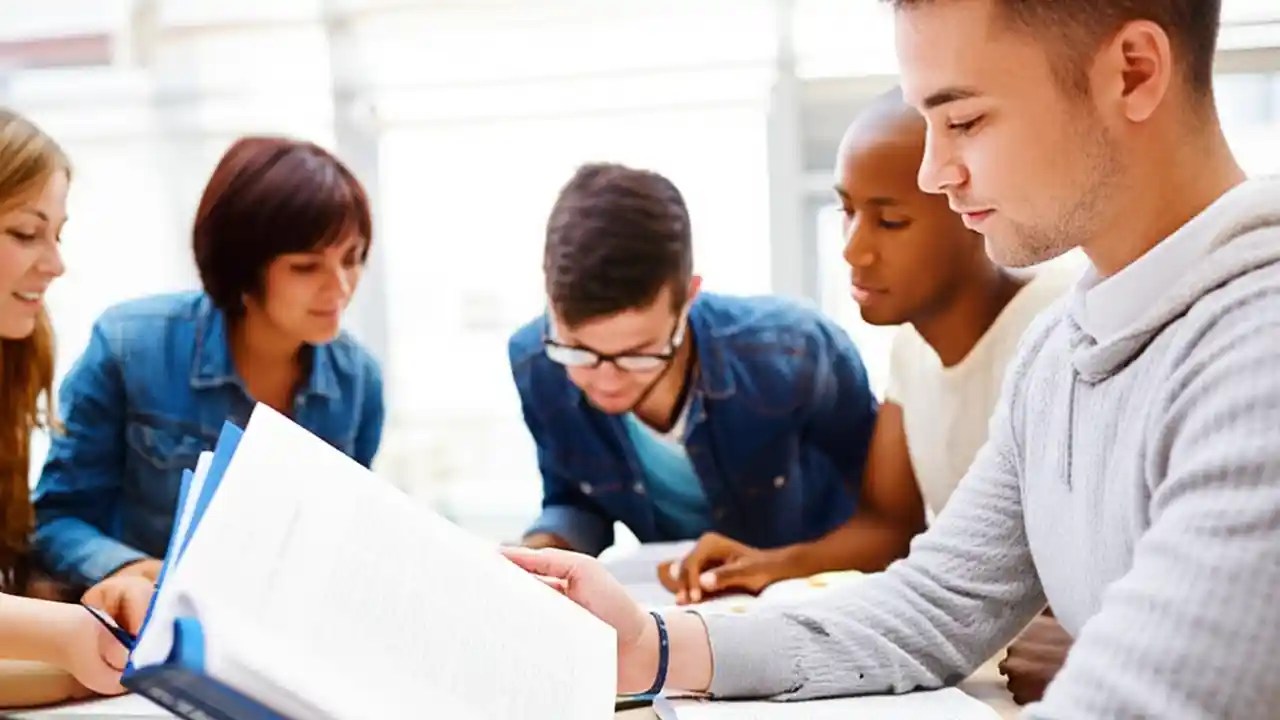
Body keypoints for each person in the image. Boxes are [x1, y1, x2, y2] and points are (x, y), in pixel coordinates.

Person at [504, 0, 1280, 717]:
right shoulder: (1058, 354)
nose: (933, 172)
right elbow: (935, 601)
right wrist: (654, 644)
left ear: (1133, 72)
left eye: (965, 120)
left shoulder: (1257, 350)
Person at [662, 90, 1074, 619]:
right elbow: (887, 525)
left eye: (890, 221)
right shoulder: (910, 348)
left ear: (976, 212)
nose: (853, 250)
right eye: (848, 211)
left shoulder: (1057, 323)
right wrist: (770, 565)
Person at [33, 136, 386, 589]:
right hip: (143, 629)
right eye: (306, 266)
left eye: (352, 259)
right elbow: (58, 519)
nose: (340, 287)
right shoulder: (131, 346)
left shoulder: (359, 383)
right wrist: (131, 571)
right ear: (243, 265)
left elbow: (343, 538)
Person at [510, 163, 880, 578]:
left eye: (638, 353)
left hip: (817, 602)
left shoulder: (798, 353)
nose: (606, 379)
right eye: (579, 351)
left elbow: (889, 524)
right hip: (678, 611)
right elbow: (576, 501)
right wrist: (540, 553)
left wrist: (777, 568)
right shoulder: (536, 361)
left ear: (688, 297)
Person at [0, 107, 156, 698]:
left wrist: (100, 595)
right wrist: (69, 640)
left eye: (57, 234)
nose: (56, 264)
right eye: (25, 232)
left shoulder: (15, 355)